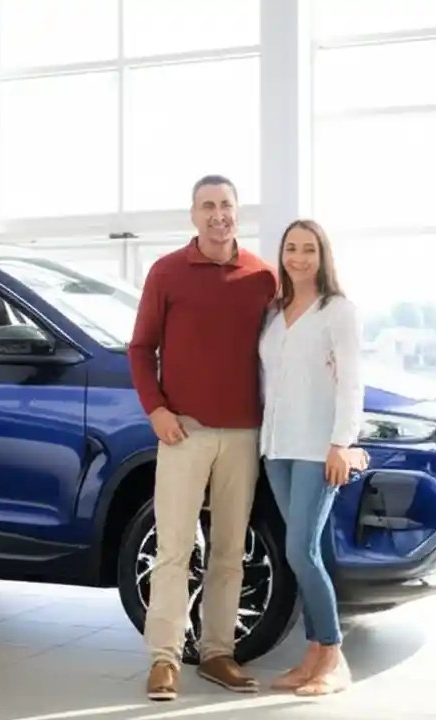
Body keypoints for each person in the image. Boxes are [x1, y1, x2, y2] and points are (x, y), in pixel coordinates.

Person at [127, 175, 278, 701]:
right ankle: (164, 659)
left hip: (243, 434)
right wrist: (157, 412)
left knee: (230, 549)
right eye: (208, 206)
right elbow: (140, 349)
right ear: (193, 215)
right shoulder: (167, 272)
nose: (219, 214)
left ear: (239, 213)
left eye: (227, 205)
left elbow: (281, 349)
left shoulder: (263, 277)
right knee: (173, 548)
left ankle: (217, 652)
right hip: (183, 432)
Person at [258, 219, 365, 697]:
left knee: (298, 550)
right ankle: (313, 657)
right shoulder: (275, 311)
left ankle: (334, 655)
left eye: (308, 249)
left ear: (323, 256)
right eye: (291, 249)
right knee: (309, 552)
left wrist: (343, 441)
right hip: (276, 446)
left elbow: (351, 381)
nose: (298, 258)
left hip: (317, 448)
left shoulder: (336, 311)